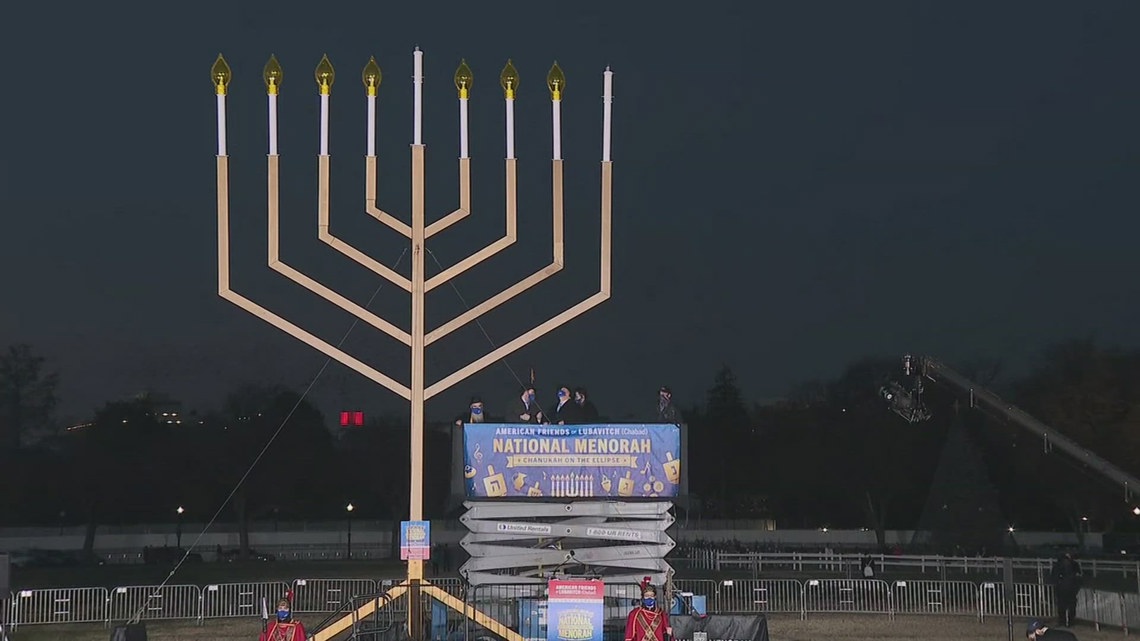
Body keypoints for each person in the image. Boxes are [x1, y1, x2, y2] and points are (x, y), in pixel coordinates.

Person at [1051, 552, 1082, 627]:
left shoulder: (1058, 564)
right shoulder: (1074, 564)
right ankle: (1070, 622)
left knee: (1061, 605)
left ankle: (1062, 621)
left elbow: (1054, 576)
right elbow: (1078, 575)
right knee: (1071, 605)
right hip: (1071, 588)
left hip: (1061, 587)